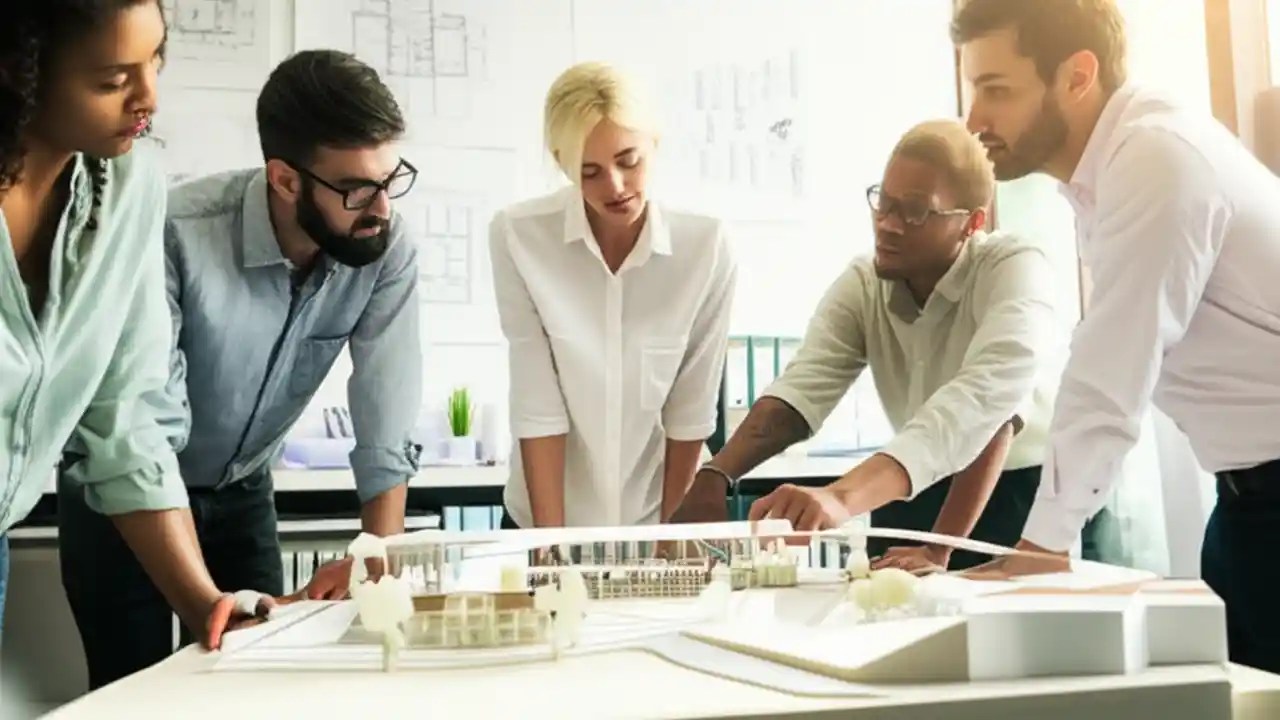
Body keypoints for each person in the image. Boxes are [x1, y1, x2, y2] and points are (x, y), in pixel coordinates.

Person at [57, 48, 424, 689]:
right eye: (358, 189)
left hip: (244, 490)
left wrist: (375, 559)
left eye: (391, 180)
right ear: (285, 180)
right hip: (125, 498)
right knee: (135, 691)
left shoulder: (382, 245)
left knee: (259, 687)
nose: (382, 208)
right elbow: (136, 426)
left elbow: (386, 411)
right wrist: (204, 605)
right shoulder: (173, 231)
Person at [950, 0, 1280, 673]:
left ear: (1077, 75)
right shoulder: (1107, 171)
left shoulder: (1157, 157)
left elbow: (1111, 370)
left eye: (996, 90)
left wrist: (1041, 551)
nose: (973, 120)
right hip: (1246, 502)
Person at [671, 119, 1061, 573]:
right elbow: (803, 388)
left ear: (971, 223)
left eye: (914, 211)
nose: (889, 225)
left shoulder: (1017, 270)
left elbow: (985, 413)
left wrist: (935, 546)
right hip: (908, 484)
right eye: (884, 203)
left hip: (1017, 495)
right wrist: (717, 473)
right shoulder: (864, 282)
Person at [1, 0, 266, 651]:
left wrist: (202, 601)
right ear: (16, 73)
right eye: (112, 79)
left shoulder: (130, 186)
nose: (149, 96)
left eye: (156, 60)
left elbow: (126, 414)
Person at [489, 62, 737, 529]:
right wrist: (550, 550)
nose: (616, 187)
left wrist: (670, 539)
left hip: (655, 516)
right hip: (543, 518)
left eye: (629, 160)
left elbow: (690, 409)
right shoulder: (518, 237)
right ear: (563, 164)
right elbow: (537, 404)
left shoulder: (705, 247)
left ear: (654, 144)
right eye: (590, 172)